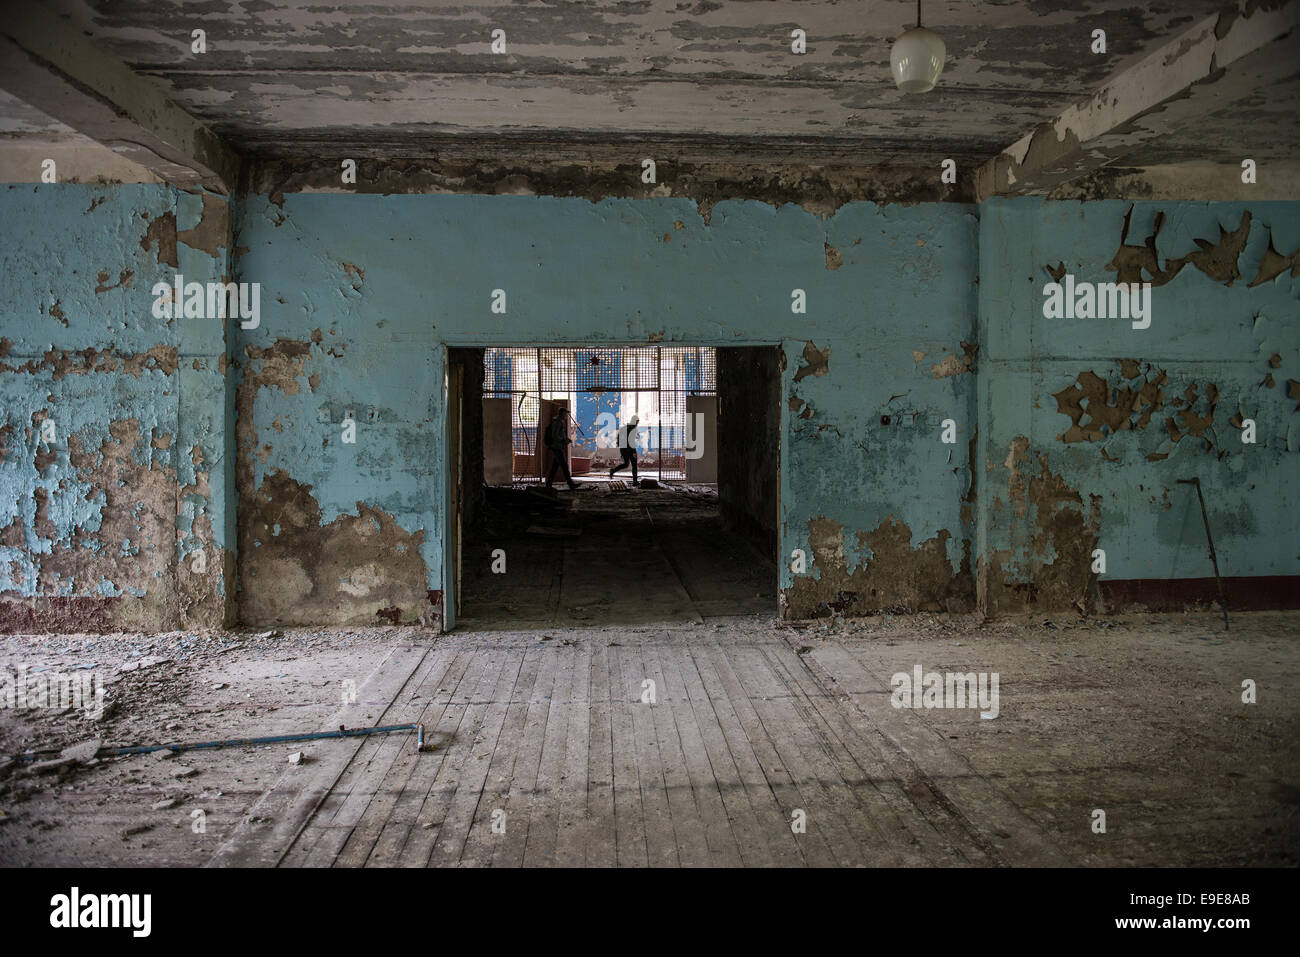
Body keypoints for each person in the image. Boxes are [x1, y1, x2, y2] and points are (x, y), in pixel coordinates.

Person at [543, 409, 578, 490]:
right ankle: (570, 484)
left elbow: (559, 434)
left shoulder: (559, 422)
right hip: (557, 447)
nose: (566, 416)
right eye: (566, 414)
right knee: (564, 466)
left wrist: (565, 439)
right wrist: (563, 440)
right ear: (562, 414)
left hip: (557, 446)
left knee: (555, 466)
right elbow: (555, 435)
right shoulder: (557, 423)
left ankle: (549, 484)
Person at [609, 414, 639, 484]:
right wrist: (634, 452)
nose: (637, 424)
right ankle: (635, 481)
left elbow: (618, 439)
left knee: (626, 464)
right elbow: (631, 442)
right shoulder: (633, 429)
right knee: (634, 465)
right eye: (637, 422)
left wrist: (621, 449)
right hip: (630, 450)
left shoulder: (624, 428)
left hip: (623, 449)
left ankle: (613, 471)